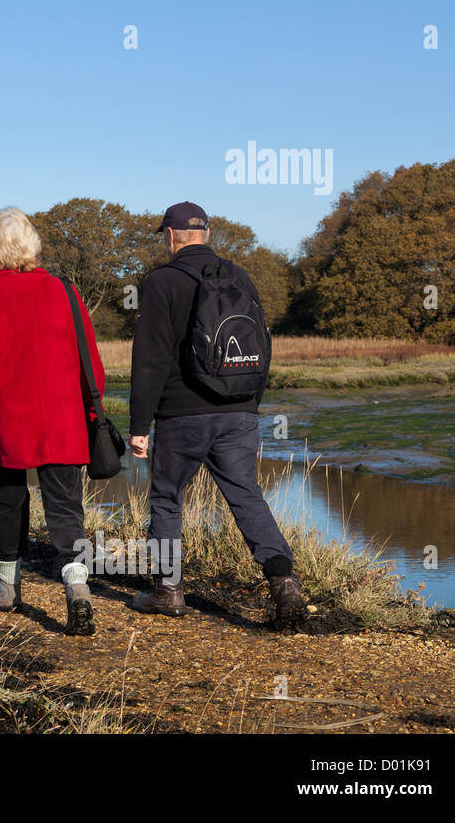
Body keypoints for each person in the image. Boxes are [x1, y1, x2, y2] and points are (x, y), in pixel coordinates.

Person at [128, 201, 306, 627]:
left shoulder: (162, 282)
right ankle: (286, 585)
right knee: (246, 495)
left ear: (170, 236)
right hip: (240, 411)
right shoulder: (239, 276)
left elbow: (149, 360)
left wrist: (139, 426)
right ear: (206, 233)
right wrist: (251, 405)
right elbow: (262, 343)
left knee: (168, 499)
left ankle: (168, 592)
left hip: (181, 416)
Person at [0, 207, 105, 637]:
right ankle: (78, 590)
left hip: (11, 420)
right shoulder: (64, 291)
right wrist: (92, 412)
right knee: (66, 507)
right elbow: (92, 362)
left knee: (9, 500)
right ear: (32, 244)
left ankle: (7, 591)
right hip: (64, 418)